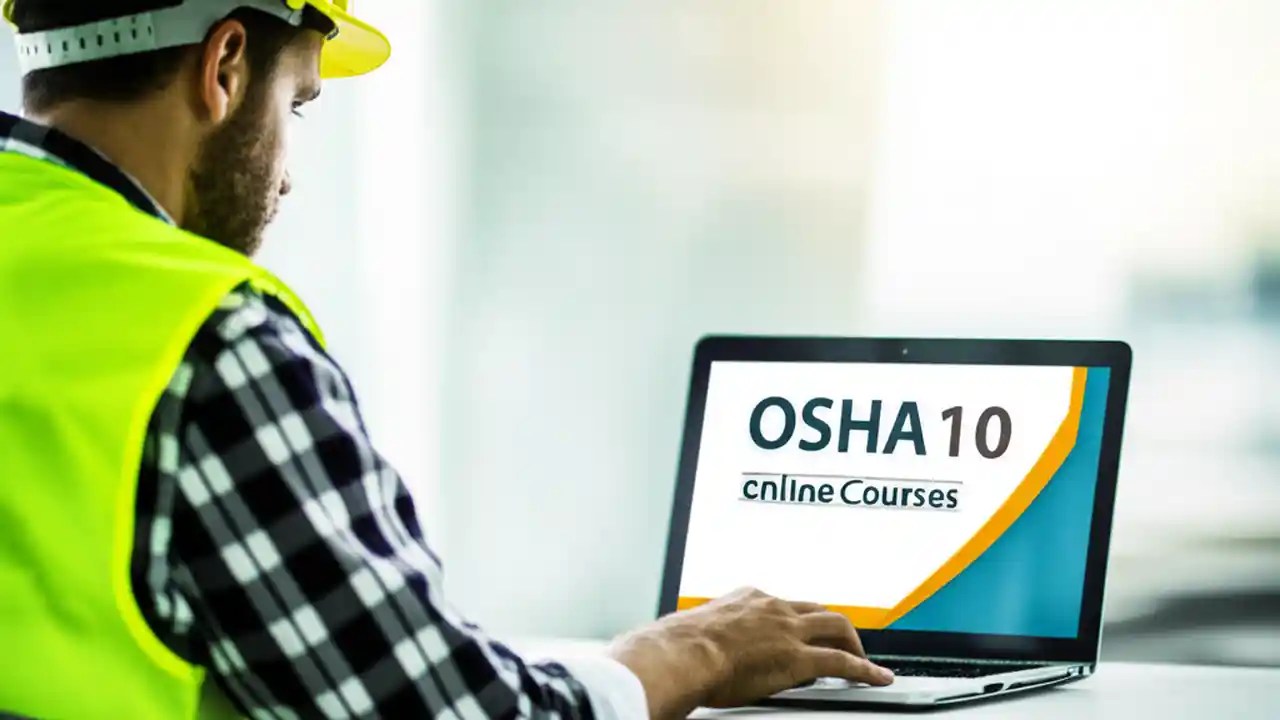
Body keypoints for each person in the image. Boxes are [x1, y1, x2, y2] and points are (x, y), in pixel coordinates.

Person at [0, 1, 894, 718]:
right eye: (298, 103)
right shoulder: (204, 343)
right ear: (225, 66)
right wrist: (688, 653)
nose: (288, 171)